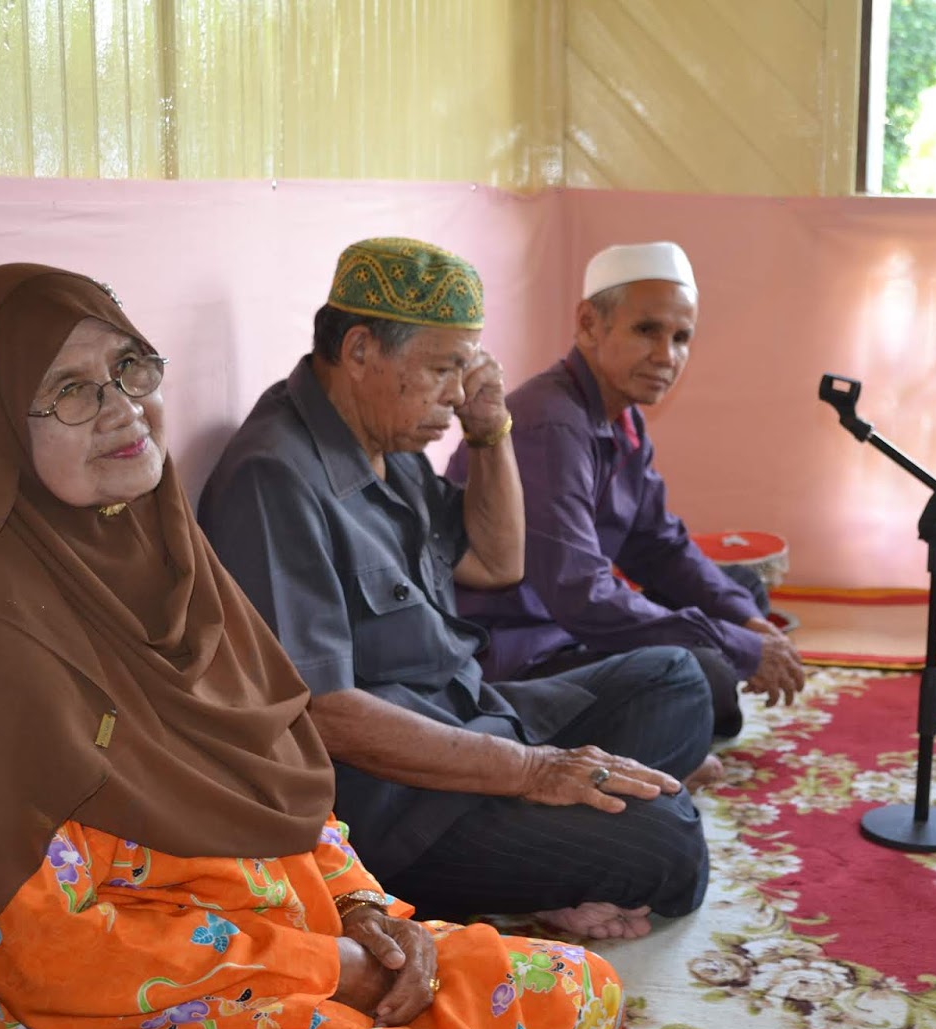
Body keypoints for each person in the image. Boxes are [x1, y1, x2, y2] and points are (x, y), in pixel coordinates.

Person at [0, 264, 625, 1029]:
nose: (123, 408)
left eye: (129, 367)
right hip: (144, 1010)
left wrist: (363, 911)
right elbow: (44, 955)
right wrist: (327, 968)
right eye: (70, 390)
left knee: (578, 986)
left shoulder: (176, 566)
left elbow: (287, 778)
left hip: (308, 931)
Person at [198, 238, 713, 943]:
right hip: (397, 806)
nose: (456, 393)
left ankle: (544, 866)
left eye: (465, 370)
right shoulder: (274, 478)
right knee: (671, 844)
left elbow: (497, 563)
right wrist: (532, 772)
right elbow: (322, 713)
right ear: (359, 351)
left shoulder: (392, 438)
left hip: (468, 717)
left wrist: (490, 430)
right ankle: (524, 874)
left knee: (679, 682)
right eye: (443, 369)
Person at [445, 241, 804, 739]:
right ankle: (666, 736)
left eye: (681, 338)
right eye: (646, 330)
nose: (666, 356)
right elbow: (581, 596)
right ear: (589, 324)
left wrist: (744, 624)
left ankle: (680, 725)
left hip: (574, 628)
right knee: (699, 675)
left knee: (742, 593)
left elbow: (659, 545)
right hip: (522, 656)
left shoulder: (621, 417)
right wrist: (731, 645)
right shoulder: (550, 424)